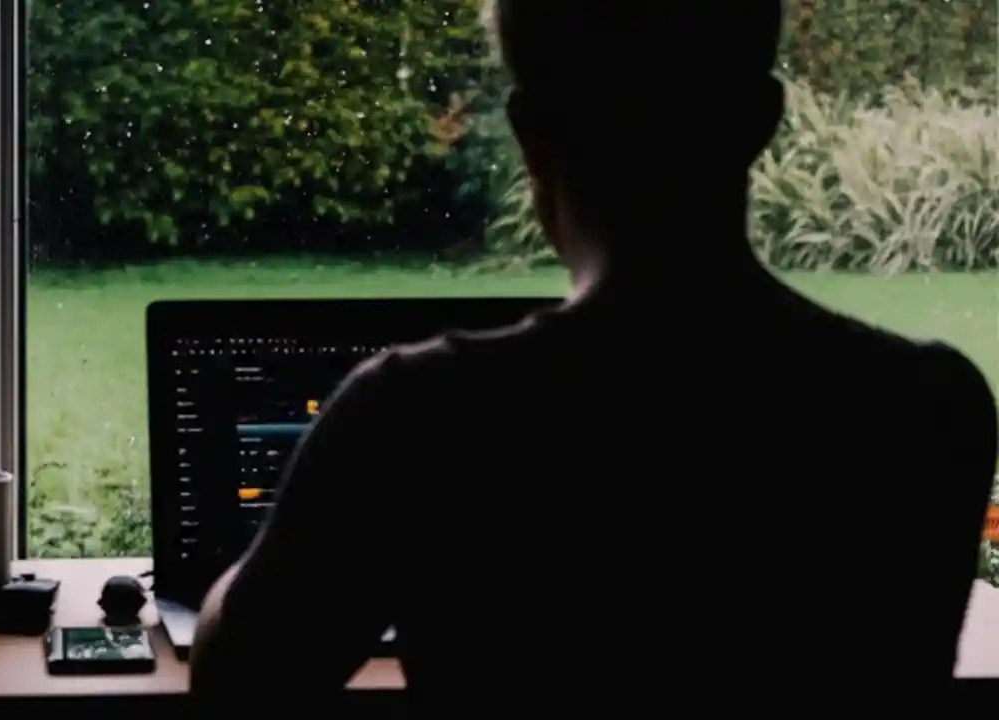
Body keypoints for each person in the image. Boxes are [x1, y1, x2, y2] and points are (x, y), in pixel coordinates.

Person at [190, 0, 998, 710]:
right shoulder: (930, 407)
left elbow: (240, 682)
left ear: (529, 135)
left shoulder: (417, 414)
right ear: (763, 119)